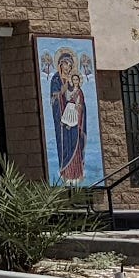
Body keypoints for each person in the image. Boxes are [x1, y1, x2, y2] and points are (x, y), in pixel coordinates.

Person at [50, 48, 88, 182]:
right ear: (61, 64)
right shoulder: (56, 78)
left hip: (74, 119)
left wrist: (78, 108)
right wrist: (61, 92)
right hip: (62, 118)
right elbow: (54, 98)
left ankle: (77, 173)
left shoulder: (73, 80)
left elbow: (80, 101)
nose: (69, 67)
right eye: (67, 64)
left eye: (71, 65)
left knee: (75, 144)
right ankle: (66, 172)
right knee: (65, 145)